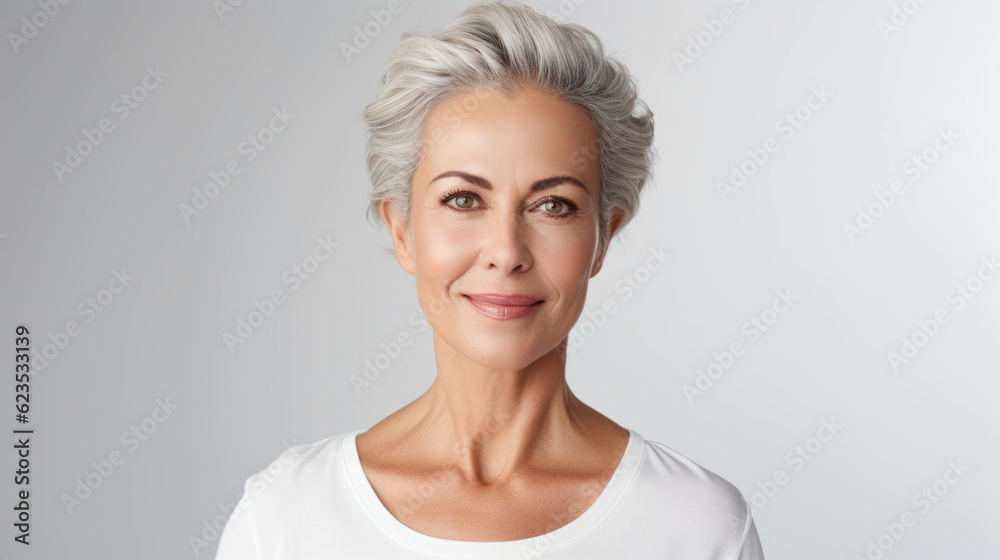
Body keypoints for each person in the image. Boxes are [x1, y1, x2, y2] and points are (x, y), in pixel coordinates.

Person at [216, 1, 765, 557]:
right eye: (463, 199)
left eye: (553, 205)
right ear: (402, 230)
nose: (506, 252)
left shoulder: (697, 527)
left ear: (604, 235)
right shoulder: (288, 517)